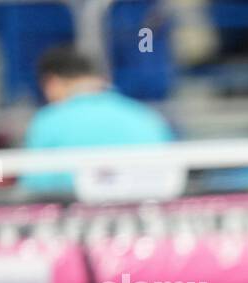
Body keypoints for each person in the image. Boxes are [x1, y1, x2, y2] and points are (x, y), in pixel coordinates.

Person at [20, 46, 174, 195]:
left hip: (74, 216)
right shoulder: (147, 117)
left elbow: (35, 187)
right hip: (152, 212)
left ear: (51, 83)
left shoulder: (46, 122)